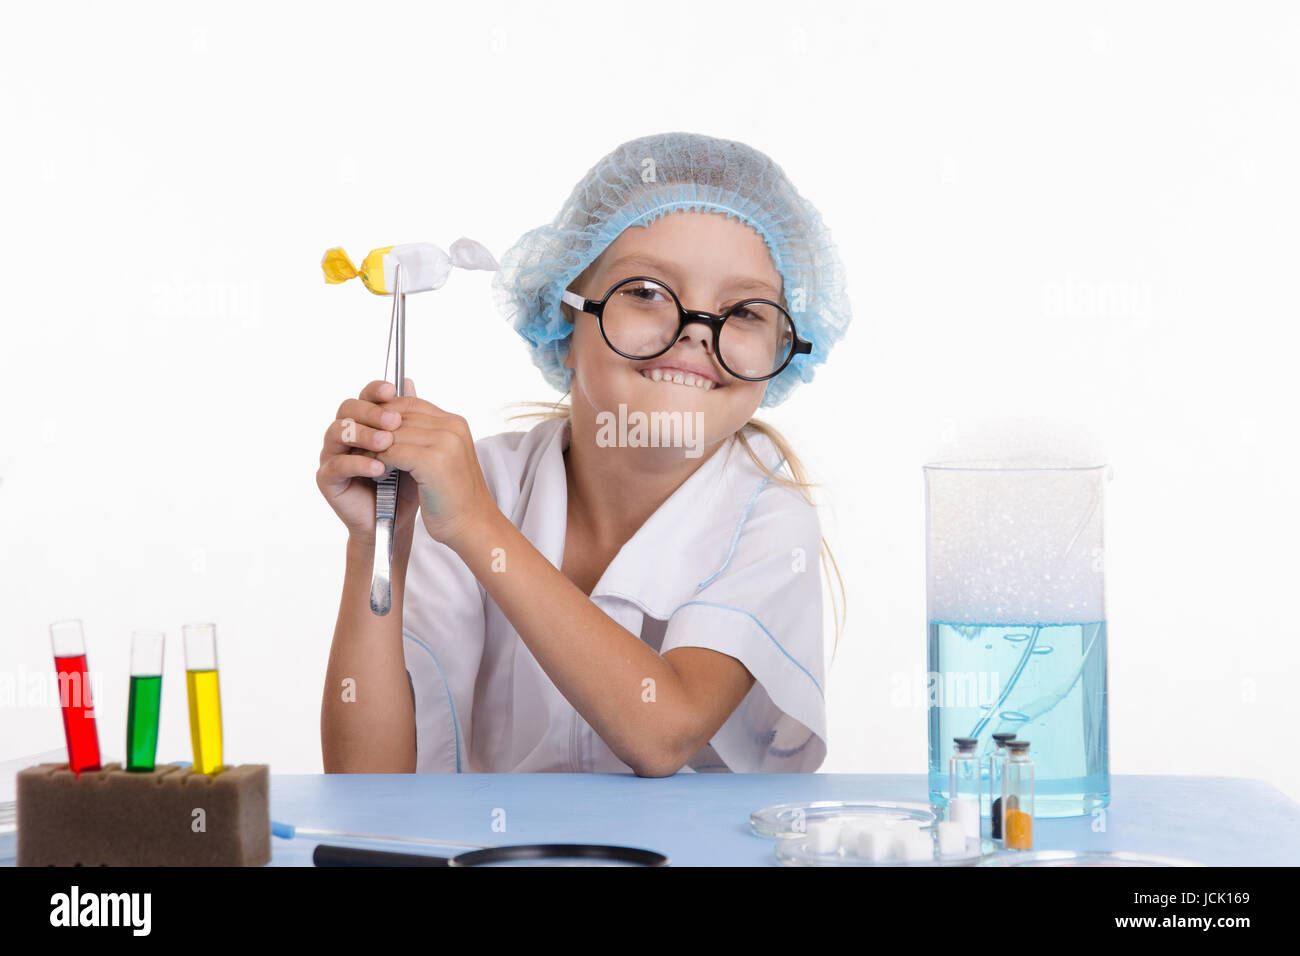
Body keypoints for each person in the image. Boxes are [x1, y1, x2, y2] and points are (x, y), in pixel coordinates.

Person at [318, 131, 851, 775]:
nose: (693, 336)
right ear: (563, 320)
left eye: (743, 312)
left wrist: (475, 524)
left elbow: (666, 733)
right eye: (648, 292)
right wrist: (379, 540)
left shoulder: (767, 521)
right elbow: (369, 784)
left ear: (781, 354)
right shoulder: (480, 481)